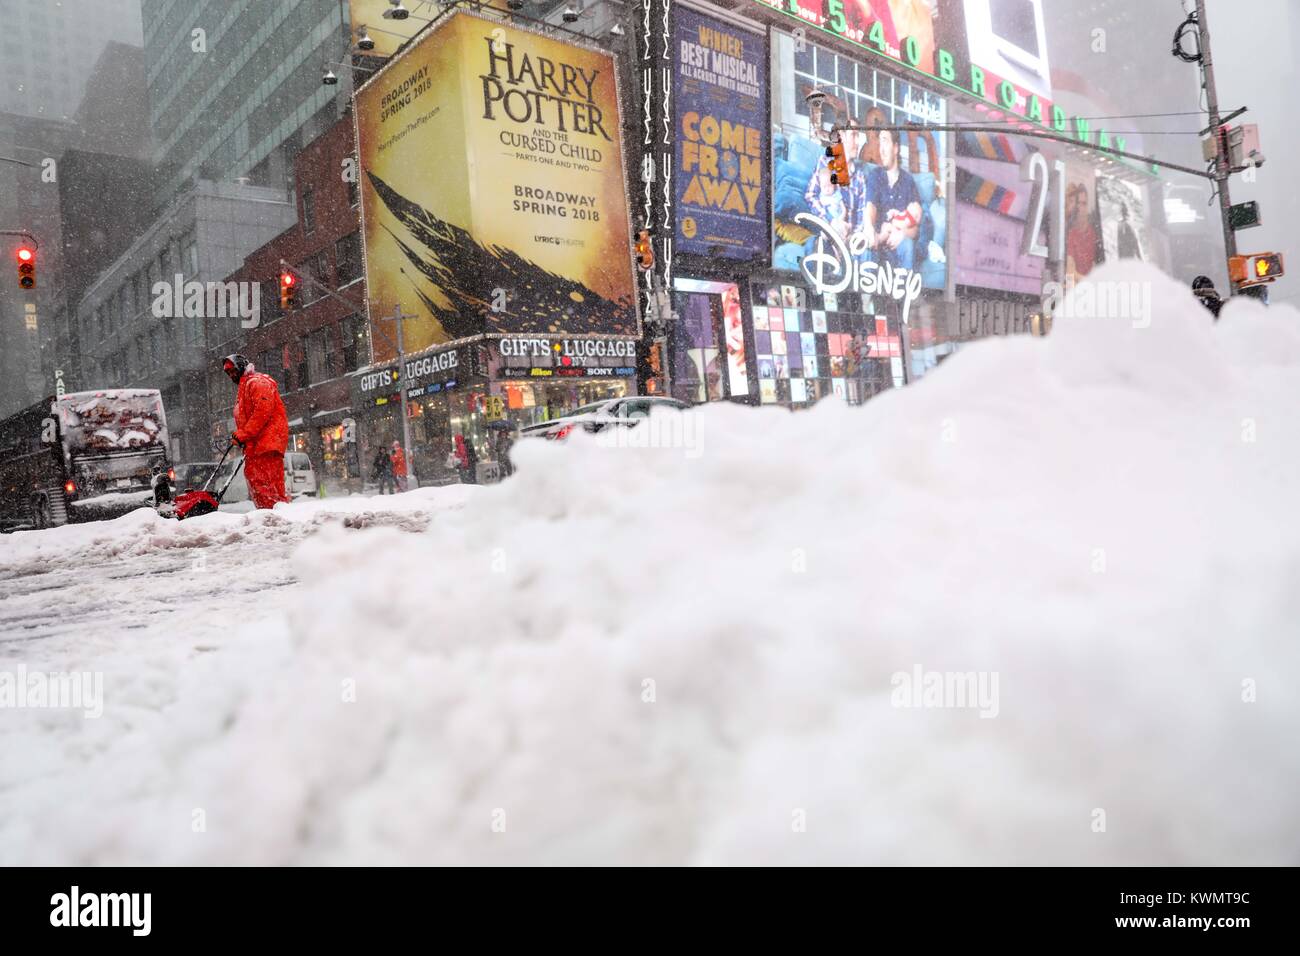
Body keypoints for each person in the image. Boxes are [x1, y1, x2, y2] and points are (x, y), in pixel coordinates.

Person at [223, 353, 290, 510]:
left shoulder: (257, 383)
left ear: (241, 368)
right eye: (229, 373)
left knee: (264, 486)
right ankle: (271, 517)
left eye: (233, 371)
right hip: (257, 446)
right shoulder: (245, 386)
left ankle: (272, 518)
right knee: (262, 485)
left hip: (266, 445)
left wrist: (244, 434)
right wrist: (242, 436)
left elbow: (262, 412)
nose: (231, 375)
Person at [857, 127, 924, 271]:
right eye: (879, 144)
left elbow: (916, 226)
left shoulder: (908, 181)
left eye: (885, 142)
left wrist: (903, 233)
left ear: (895, 148)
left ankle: (904, 291)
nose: (881, 149)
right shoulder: (875, 175)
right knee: (868, 244)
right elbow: (870, 207)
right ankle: (867, 293)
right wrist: (869, 228)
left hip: (898, 246)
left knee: (908, 245)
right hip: (878, 244)